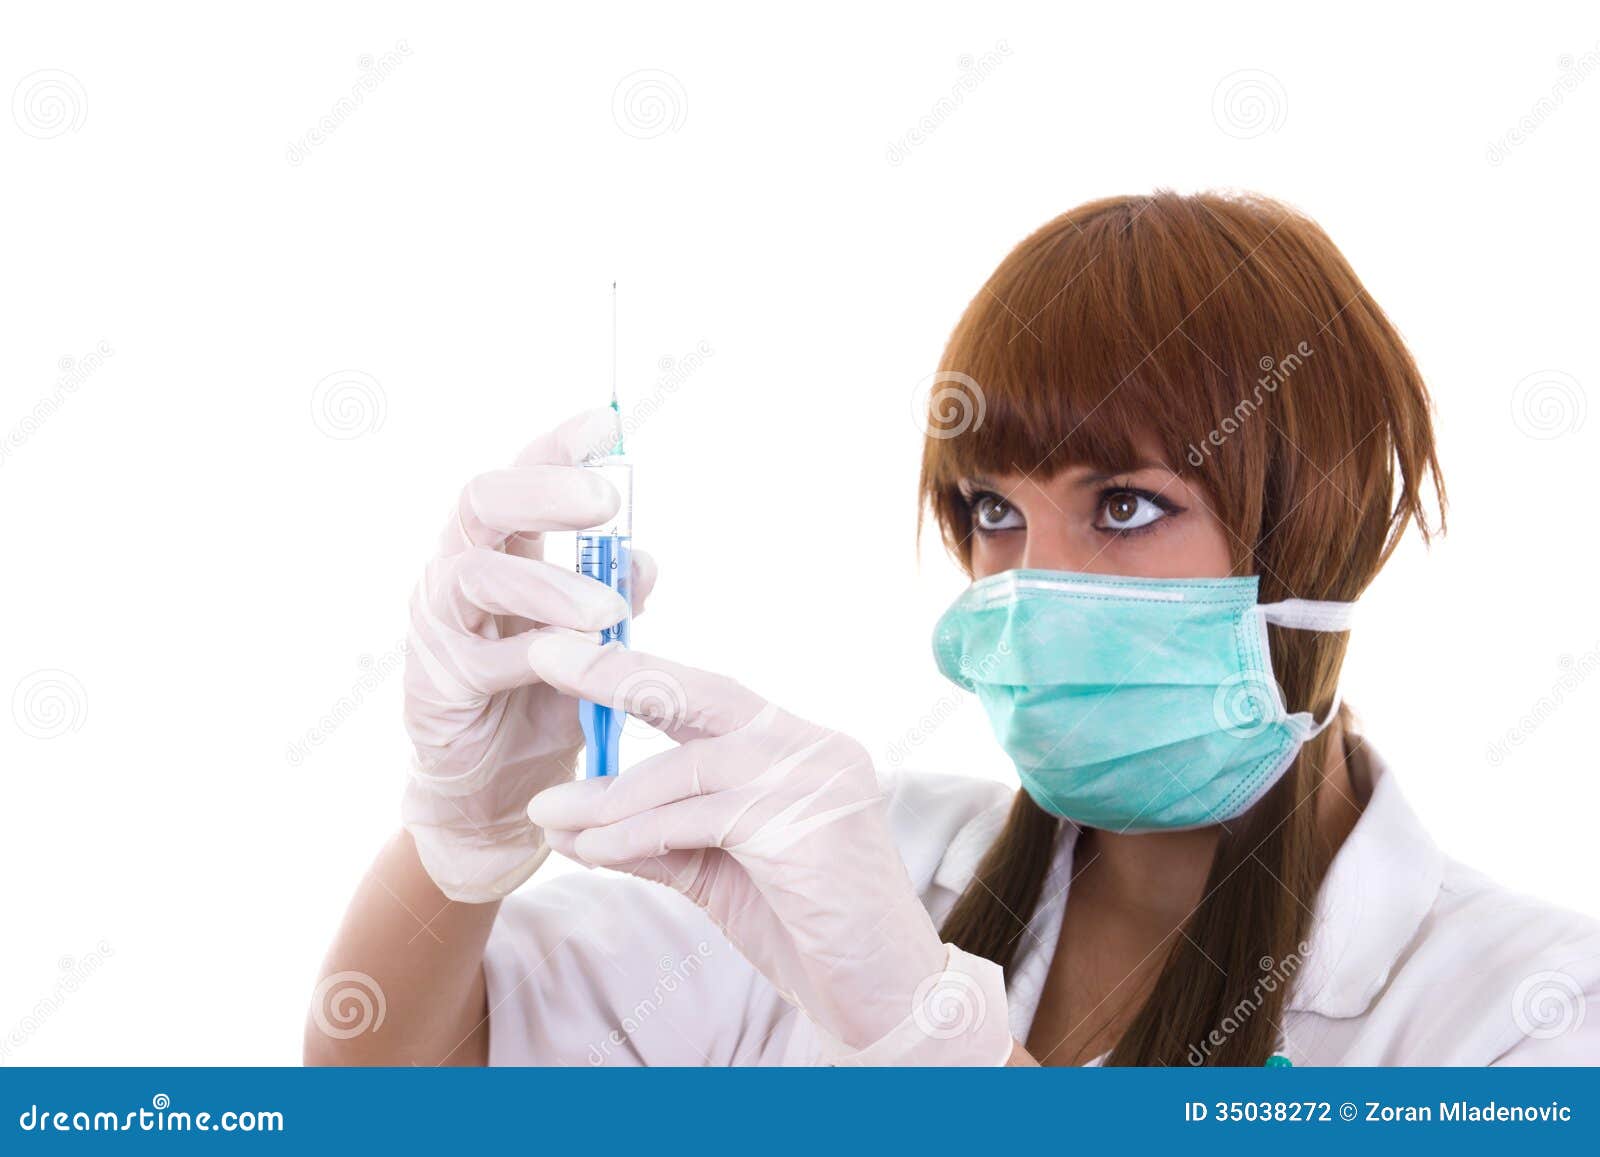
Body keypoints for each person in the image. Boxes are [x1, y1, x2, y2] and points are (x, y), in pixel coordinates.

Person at [308, 191, 1600, 1067]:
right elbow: (391, 1097)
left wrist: (931, 1042)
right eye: (992, 507)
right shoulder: (844, 869)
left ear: (1318, 535)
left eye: (1129, 504)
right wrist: (458, 847)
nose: (1031, 582)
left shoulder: (1527, 1011)